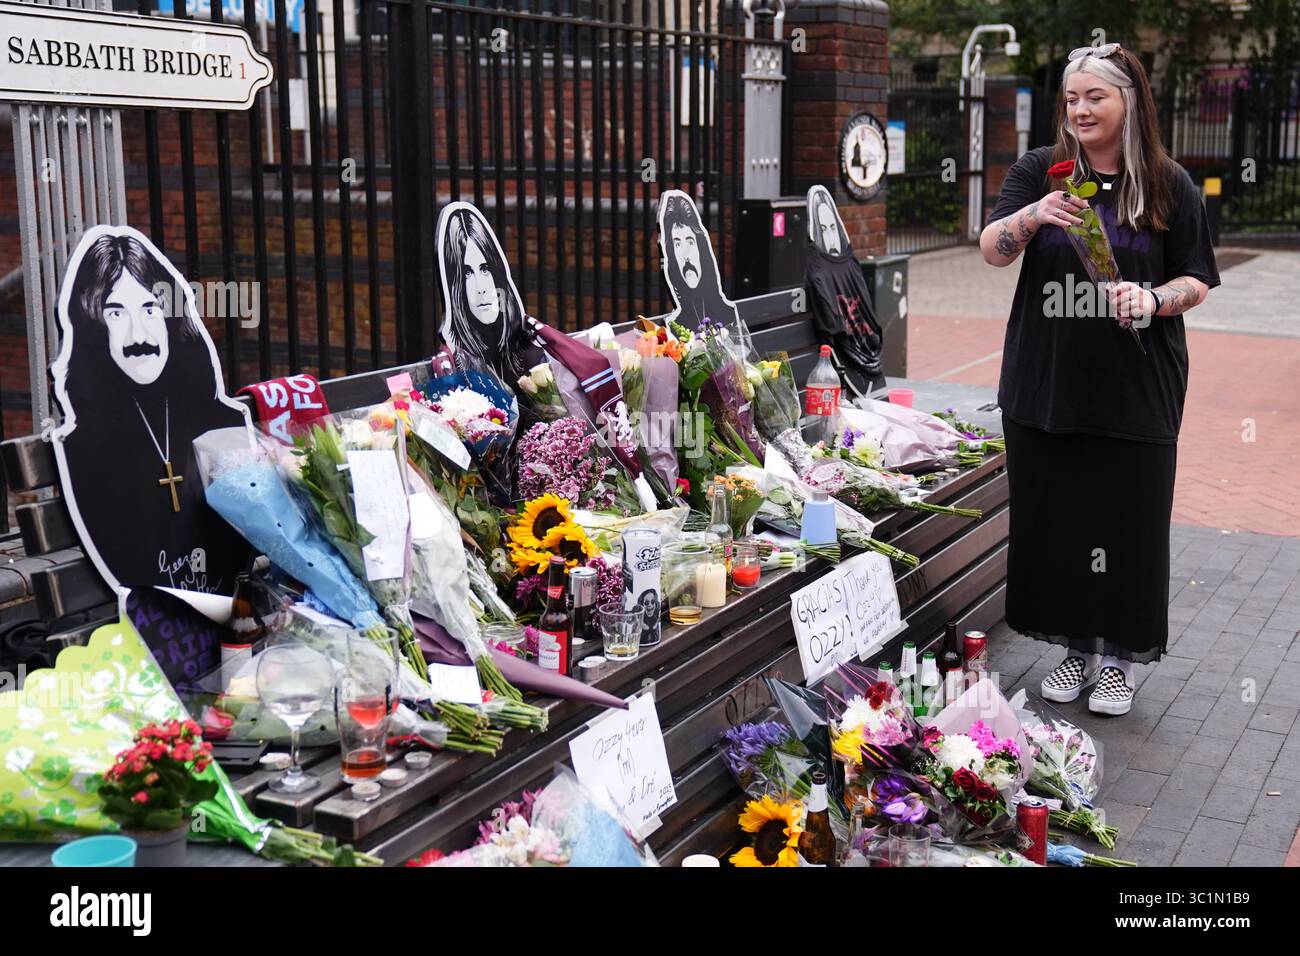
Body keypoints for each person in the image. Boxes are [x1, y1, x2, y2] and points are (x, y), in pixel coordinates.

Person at [979, 44, 1220, 716]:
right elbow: (992, 250)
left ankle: (1119, 660)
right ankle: (1077, 649)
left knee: (1126, 524)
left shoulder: (1169, 184)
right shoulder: (1044, 170)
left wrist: (1153, 300)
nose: (1081, 109)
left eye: (1095, 97)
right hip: (1045, 381)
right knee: (1057, 519)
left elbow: (1197, 278)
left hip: (1136, 388)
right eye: (1072, 98)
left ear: (1129, 102)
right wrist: (1033, 216)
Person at [51, 227, 252, 595]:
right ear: (91, 324)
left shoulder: (221, 419)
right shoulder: (85, 445)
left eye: (150, 309)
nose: (138, 334)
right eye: (115, 313)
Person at [436, 202, 538, 382]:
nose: (481, 288)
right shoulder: (453, 362)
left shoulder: (528, 347)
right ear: (456, 285)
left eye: (484, 269)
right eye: (467, 273)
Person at [658, 191, 739, 331]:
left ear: (701, 249)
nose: (685, 256)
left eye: (690, 242)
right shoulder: (676, 326)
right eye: (677, 244)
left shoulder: (726, 311)